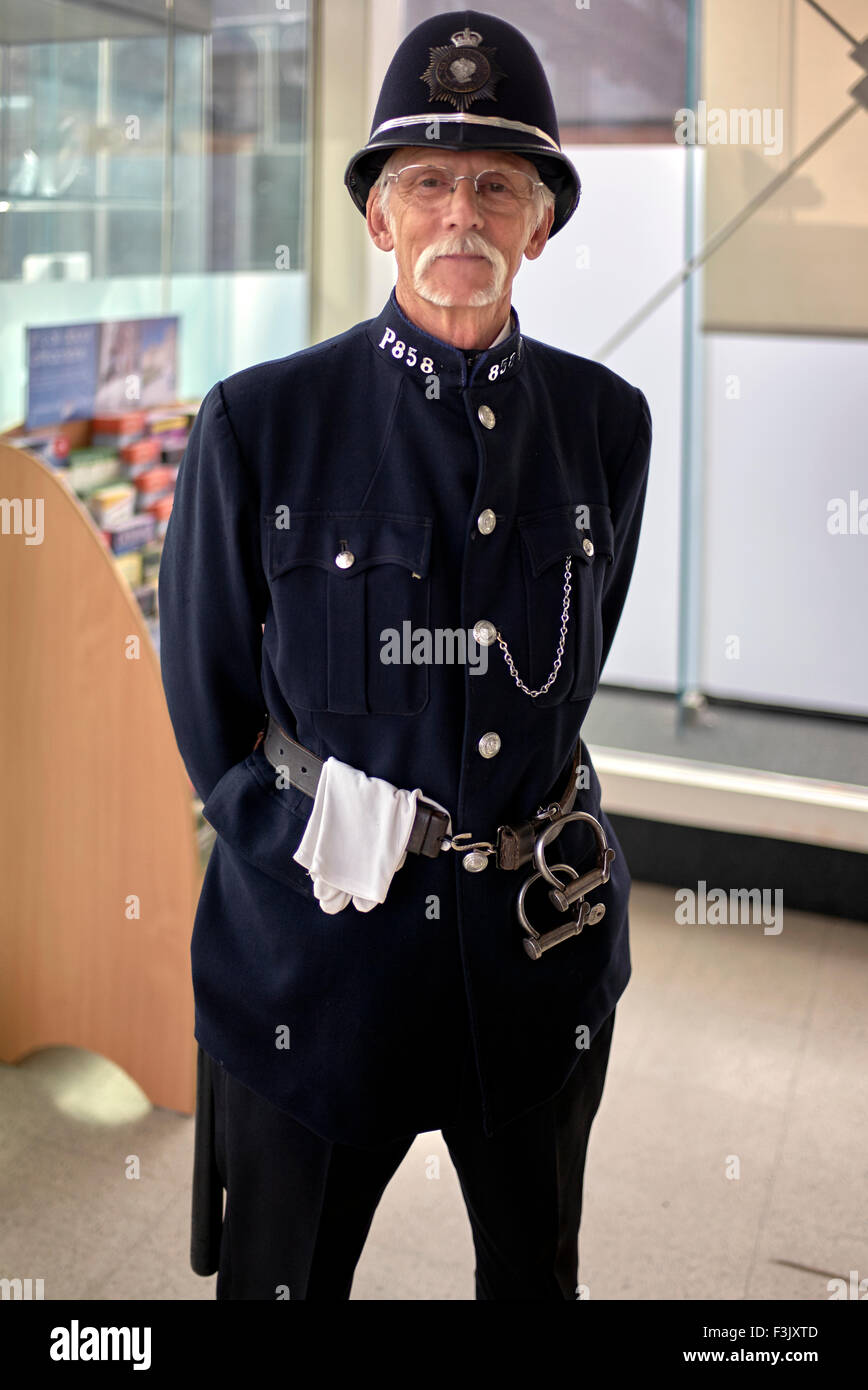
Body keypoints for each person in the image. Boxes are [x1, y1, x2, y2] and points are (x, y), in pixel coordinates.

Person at [158, 8, 652, 1301]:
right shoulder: (261, 421)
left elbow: (571, 669)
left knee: (534, 1278)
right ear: (378, 217)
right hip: (319, 966)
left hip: (534, 959)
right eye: (426, 182)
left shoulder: (607, 425)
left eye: (498, 185)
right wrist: (310, 837)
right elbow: (208, 706)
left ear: (542, 223)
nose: (460, 215)